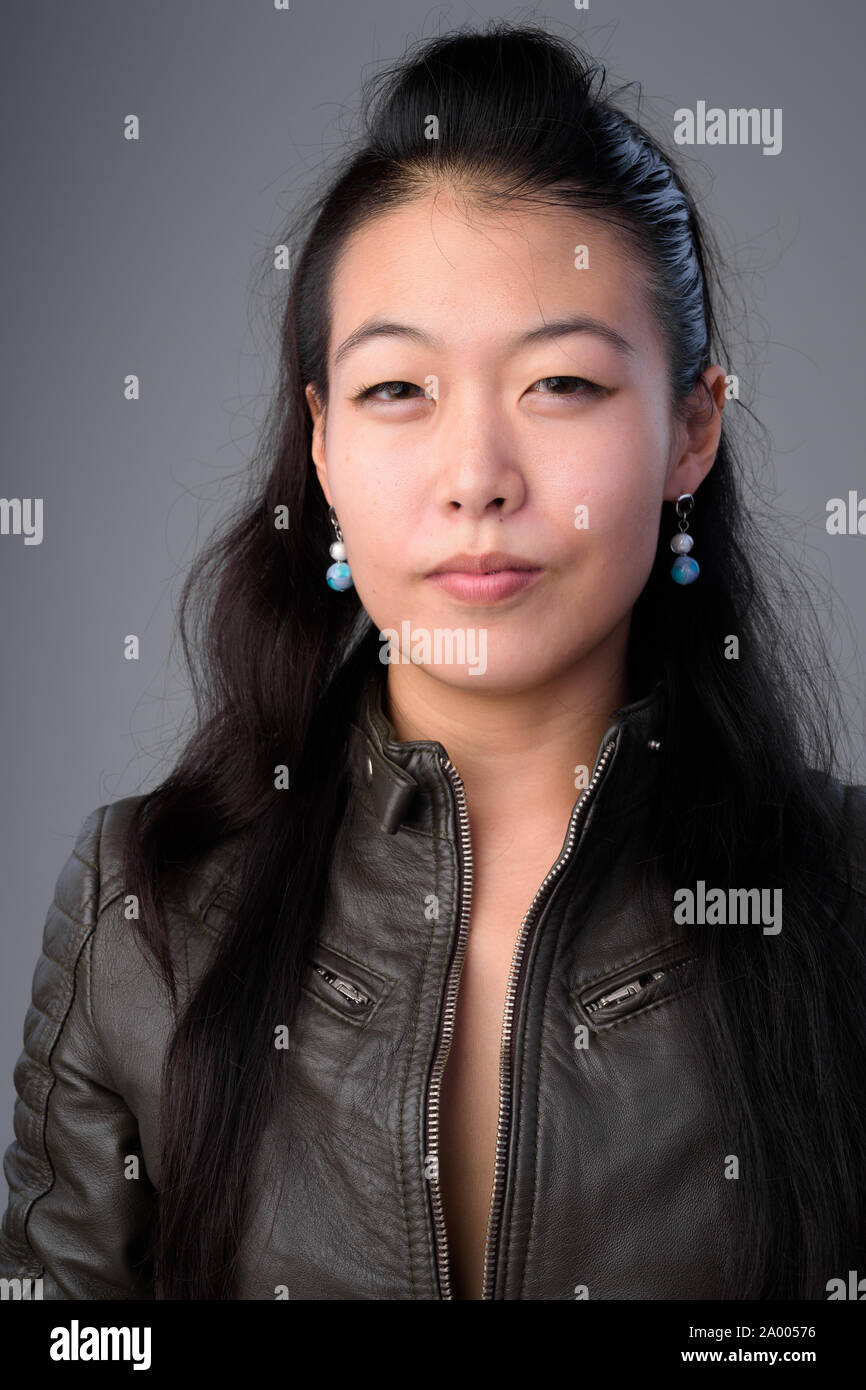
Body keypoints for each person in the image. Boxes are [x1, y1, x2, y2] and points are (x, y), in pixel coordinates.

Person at [1, 22, 865, 1302]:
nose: (476, 480)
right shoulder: (146, 910)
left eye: (559, 382)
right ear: (323, 446)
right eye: (399, 390)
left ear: (690, 431)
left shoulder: (841, 901)